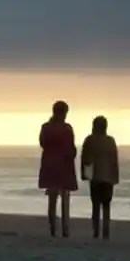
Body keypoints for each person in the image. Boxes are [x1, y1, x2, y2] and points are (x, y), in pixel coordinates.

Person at [38, 100, 78, 237]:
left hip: (49, 166)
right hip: (64, 167)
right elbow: (71, 149)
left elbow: (43, 143)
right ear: (64, 113)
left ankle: (52, 229)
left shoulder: (46, 127)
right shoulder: (67, 129)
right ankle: (65, 230)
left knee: (52, 200)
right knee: (65, 199)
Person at [80, 115, 120, 240]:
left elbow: (85, 160)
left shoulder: (90, 140)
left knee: (96, 206)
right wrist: (115, 177)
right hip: (108, 178)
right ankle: (106, 232)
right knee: (106, 206)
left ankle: (96, 231)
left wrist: (84, 174)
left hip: (95, 177)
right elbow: (114, 161)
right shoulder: (110, 141)